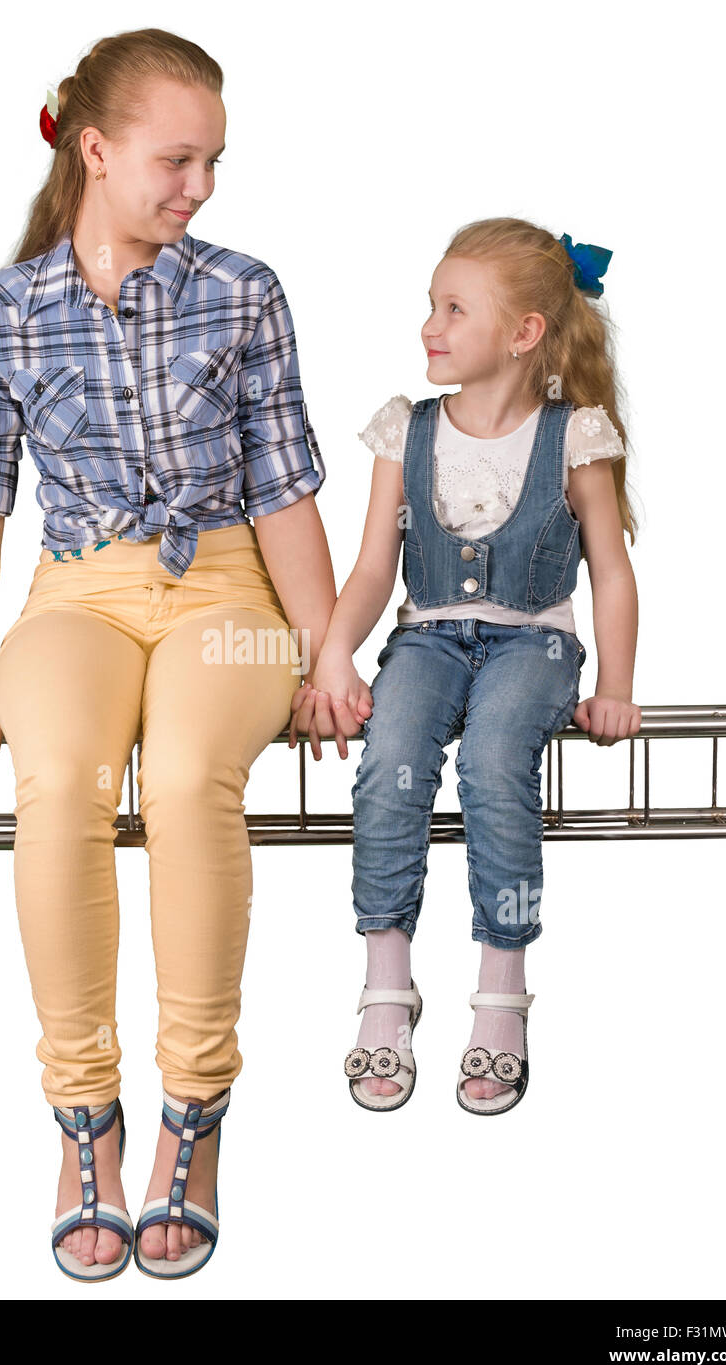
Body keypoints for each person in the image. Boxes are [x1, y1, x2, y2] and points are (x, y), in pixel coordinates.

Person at [0, 28, 350, 1280]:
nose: (199, 188)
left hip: (227, 584)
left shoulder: (245, 291)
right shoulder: (8, 309)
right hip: (79, 594)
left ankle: (196, 1115)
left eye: (213, 162)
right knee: (54, 781)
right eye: (176, 160)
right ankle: (82, 1118)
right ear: (95, 152)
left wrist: (325, 650)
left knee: (181, 786)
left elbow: (282, 494)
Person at [291, 216, 642, 1116]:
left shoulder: (575, 436)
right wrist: (335, 655)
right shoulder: (404, 431)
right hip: (428, 635)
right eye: (429, 306)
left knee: (492, 765)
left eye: (454, 308)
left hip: (534, 640)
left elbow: (609, 569)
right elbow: (373, 568)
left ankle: (500, 987)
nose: (429, 325)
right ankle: (386, 984)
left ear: (524, 334)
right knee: (390, 766)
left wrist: (613, 688)